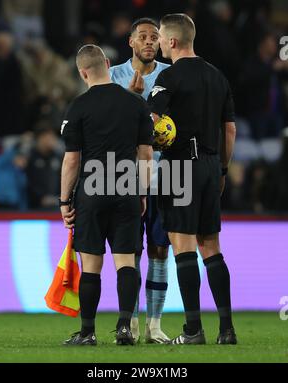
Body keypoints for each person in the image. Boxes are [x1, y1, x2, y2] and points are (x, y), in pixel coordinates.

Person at [148, 14, 237, 345]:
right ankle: (227, 329)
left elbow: (152, 120)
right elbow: (230, 129)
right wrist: (223, 169)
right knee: (211, 245)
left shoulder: (168, 78)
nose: (157, 42)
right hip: (212, 164)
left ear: (172, 41)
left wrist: (154, 136)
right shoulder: (218, 77)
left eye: (158, 37)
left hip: (179, 164)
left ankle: (193, 330)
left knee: (182, 244)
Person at [60, 44, 153, 346]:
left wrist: (64, 201)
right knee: (126, 262)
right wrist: (142, 192)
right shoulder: (136, 104)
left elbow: (72, 160)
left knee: (92, 266)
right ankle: (125, 327)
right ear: (108, 64)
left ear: (82, 72)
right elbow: (146, 154)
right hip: (126, 187)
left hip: (91, 189)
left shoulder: (78, 107)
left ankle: (87, 332)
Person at [110, 17, 170, 344]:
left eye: (154, 37)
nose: (149, 42)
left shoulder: (170, 76)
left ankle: (155, 325)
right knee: (129, 252)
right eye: (143, 37)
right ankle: (130, 324)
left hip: (165, 176)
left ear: (161, 43)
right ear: (130, 42)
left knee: (160, 249)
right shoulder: (113, 77)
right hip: (124, 178)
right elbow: (108, 125)